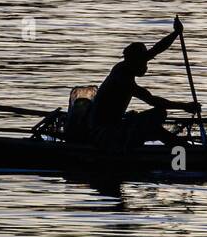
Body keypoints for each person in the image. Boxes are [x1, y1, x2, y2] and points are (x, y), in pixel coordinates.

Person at [84, 16, 200, 149]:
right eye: (143, 62)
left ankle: (184, 149)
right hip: (103, 133)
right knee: (158, 115)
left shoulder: (129, 65)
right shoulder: (122, 77)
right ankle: (186, 150)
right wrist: (185, 106)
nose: (146, 66)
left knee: (157, 119)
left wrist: (175, 33)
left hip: (114, 126)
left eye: (146, 60)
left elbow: (157, 49)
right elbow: (152, 100)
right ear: (134, 61)